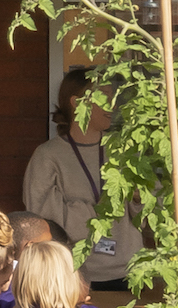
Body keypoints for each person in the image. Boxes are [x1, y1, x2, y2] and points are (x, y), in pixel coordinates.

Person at [25, 79, 145, 291]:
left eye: (113, 97)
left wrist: (137, 198)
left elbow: (148, 214)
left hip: (129, 272)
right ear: (78, 102)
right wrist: (96, 212)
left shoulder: (124, 151)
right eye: (104, 96)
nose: (113, 105)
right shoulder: (48, 156)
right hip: (75, 276)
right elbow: (44, 221)